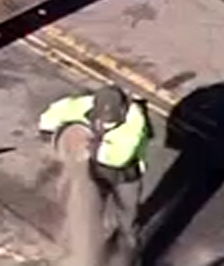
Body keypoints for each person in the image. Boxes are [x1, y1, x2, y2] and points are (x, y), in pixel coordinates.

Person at [38, 86, 151, 250]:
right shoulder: (83, 105)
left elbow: (119, 158)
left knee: (127, 214)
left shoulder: (135, 122)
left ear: (123, 111)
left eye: (111, 122)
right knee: (86, 211)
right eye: (103, 121)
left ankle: (127, 249)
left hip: (125, 173)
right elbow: (56, 112)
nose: (106, 125)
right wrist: (48, 130)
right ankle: (74, 247)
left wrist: (87, 149)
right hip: (93, 169)